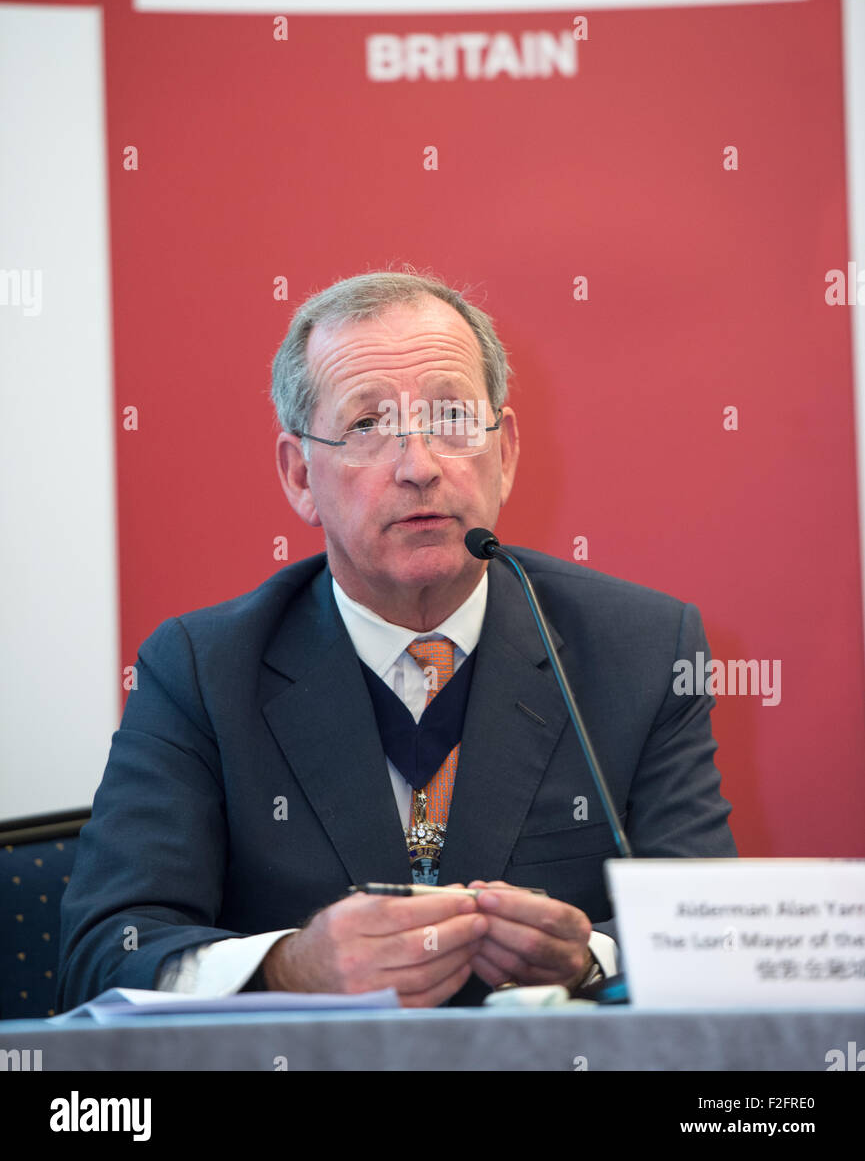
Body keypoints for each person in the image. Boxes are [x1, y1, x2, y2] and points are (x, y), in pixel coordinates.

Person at [56, 270, 736, 1011]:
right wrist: (290, 967)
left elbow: (704, 929)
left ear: (503, 452)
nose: (418, 467)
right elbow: (102, 950)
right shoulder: (201, 671)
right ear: (299, 477)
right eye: (366, 426)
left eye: (450, 418)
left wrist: (587, 957)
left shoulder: (641, 649)